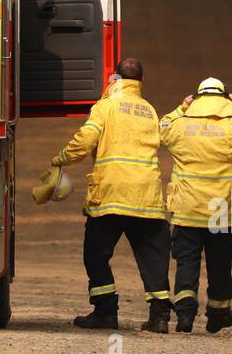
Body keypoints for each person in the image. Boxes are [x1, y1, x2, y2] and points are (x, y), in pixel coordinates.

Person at [34, 58, 172, 333]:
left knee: (96, 255)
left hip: (111, 194)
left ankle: (106, 312)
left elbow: (85, 140)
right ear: (139, 82)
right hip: (147, 198)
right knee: (154, 259)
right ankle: (160, 318)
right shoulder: (149, 110)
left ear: (115, 79)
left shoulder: (106, 107)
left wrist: (61, 159)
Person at [158, 77, 232, 333]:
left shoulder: (181, 124)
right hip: (222, 212)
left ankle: (185, 314)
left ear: (197, 98)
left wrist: (182, 107)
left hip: (187, 209)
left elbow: (161, 126)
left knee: (186, 262)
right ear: (224, 98)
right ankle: (218, 314)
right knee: (220, 264)